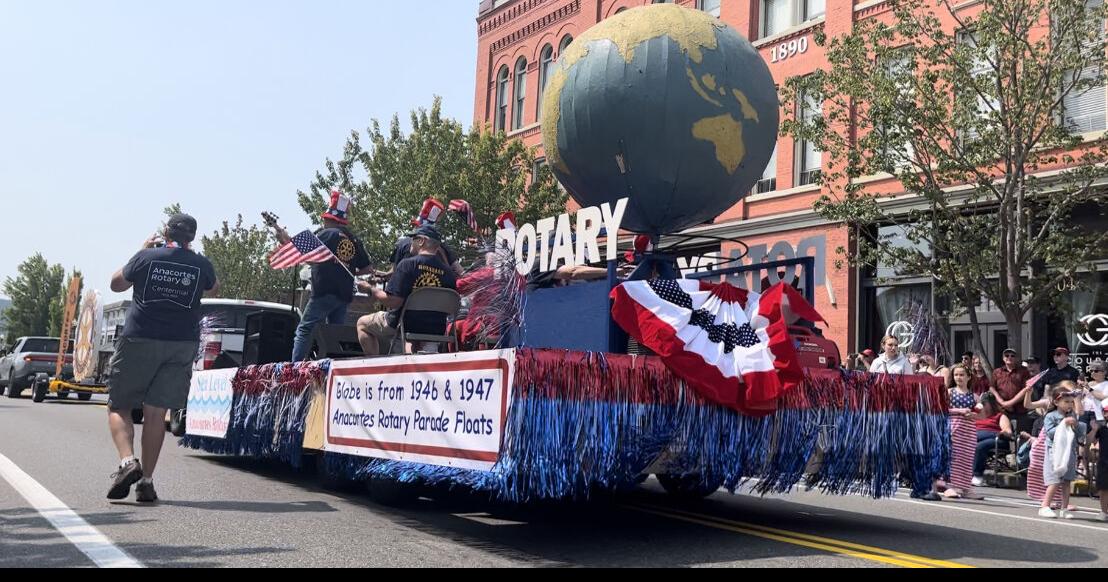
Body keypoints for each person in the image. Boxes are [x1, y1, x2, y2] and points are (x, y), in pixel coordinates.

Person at [105, 214, 219, 503]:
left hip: (140, 338)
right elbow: (213, 288)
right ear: (191, 237)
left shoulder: (147, 257)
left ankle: (127, 461)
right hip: (181, 343)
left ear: (165, 231)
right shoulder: (201, 264)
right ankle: (146, 481)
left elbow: (116, 284)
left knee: (120, 405)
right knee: (156, 413)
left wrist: (143, 250)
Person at [276, 192, 374, 363]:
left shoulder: (326, 234)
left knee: (305, 329)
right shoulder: (353, 239)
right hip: (344, 294)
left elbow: (304, 253)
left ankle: (294, 368)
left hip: (324, 291)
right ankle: (332, 365)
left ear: (330, 218)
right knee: (333, 333)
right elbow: (368, 268)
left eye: (325, 218)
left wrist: (284, 240)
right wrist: (349, 270)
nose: (323, 221)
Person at [357, 226, 458, 356]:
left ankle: (375, 367)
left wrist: (370, 289)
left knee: (362, 323)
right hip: (436, 328)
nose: (410, 242)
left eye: (413, 239)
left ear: (421, 241)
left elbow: (393, 302)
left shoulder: (408, 265)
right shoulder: (449, 274)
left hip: (406, 323)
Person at [1038, 383, 1088, 520]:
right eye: (1066, 402)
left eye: (1071, 402)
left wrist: (1077, 424)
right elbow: (1050, 433)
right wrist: (1063, 423)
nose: (1069, 405)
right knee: (1054, 480)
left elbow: (1079, 434)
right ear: (1056, 402)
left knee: (1066, 481)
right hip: (1054, 453)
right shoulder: (1051, 416)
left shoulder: (1072, 416)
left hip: (1069, 452)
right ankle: (1044, 506)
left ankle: (1064, 509)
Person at [945, 365, 986, 500]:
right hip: (953, 427)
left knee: (967, 459)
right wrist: (959, 411)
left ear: (969, 377)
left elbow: (982, 416)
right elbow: (942, 410)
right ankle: (949, 486)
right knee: (953, 458)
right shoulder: (949, 392)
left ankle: (966, 487)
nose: (959, 377)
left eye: (962, 375)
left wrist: (973, 415)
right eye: (956, 375)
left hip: (968, 431)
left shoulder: (974, 397)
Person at [972, 392, 1014, 488]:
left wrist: (1004, 432)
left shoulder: (1000, 416)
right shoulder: (977, 416)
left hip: (997, 439)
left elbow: (1008, 431)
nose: (982, 406)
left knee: (979, 445)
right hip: (978, 437)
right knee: (966, 442)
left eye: (984, 404)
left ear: (991, 404)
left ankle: (977, 476)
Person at [991, 348, 1032, 434]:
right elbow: (992, 388)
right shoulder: (997, 372)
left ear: (1016, 358)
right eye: (1007, 355)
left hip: (1020, 411)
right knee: (1004, 435)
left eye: (1012, 356)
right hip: (1002, 410)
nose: (1009, 357)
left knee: (1021, 436)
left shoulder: (1024, 372)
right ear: (1003, 358)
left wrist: (1010, 403)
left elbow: (1026, 389)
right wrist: (1001, 402)